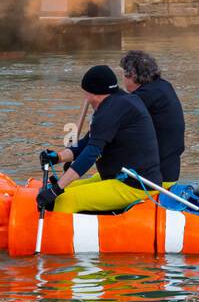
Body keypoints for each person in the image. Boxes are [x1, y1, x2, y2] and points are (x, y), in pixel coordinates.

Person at [36, 66, 162, 213]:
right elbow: (85, 144)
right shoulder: (118, 102)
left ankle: (54, 234)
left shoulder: (110, 111)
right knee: (62, 189)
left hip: (135, 185)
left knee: (63, 200)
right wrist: (57, 157)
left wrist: (56, 190)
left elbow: (91, 154)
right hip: (119, 177)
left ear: (91, 94)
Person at [120, 50, 185, 185]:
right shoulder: (163, 86)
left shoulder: (142, 97)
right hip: (168, 171)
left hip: (153, 179)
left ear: (131, 75)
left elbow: (109, 124)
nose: (123, 80)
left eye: (124, 75)